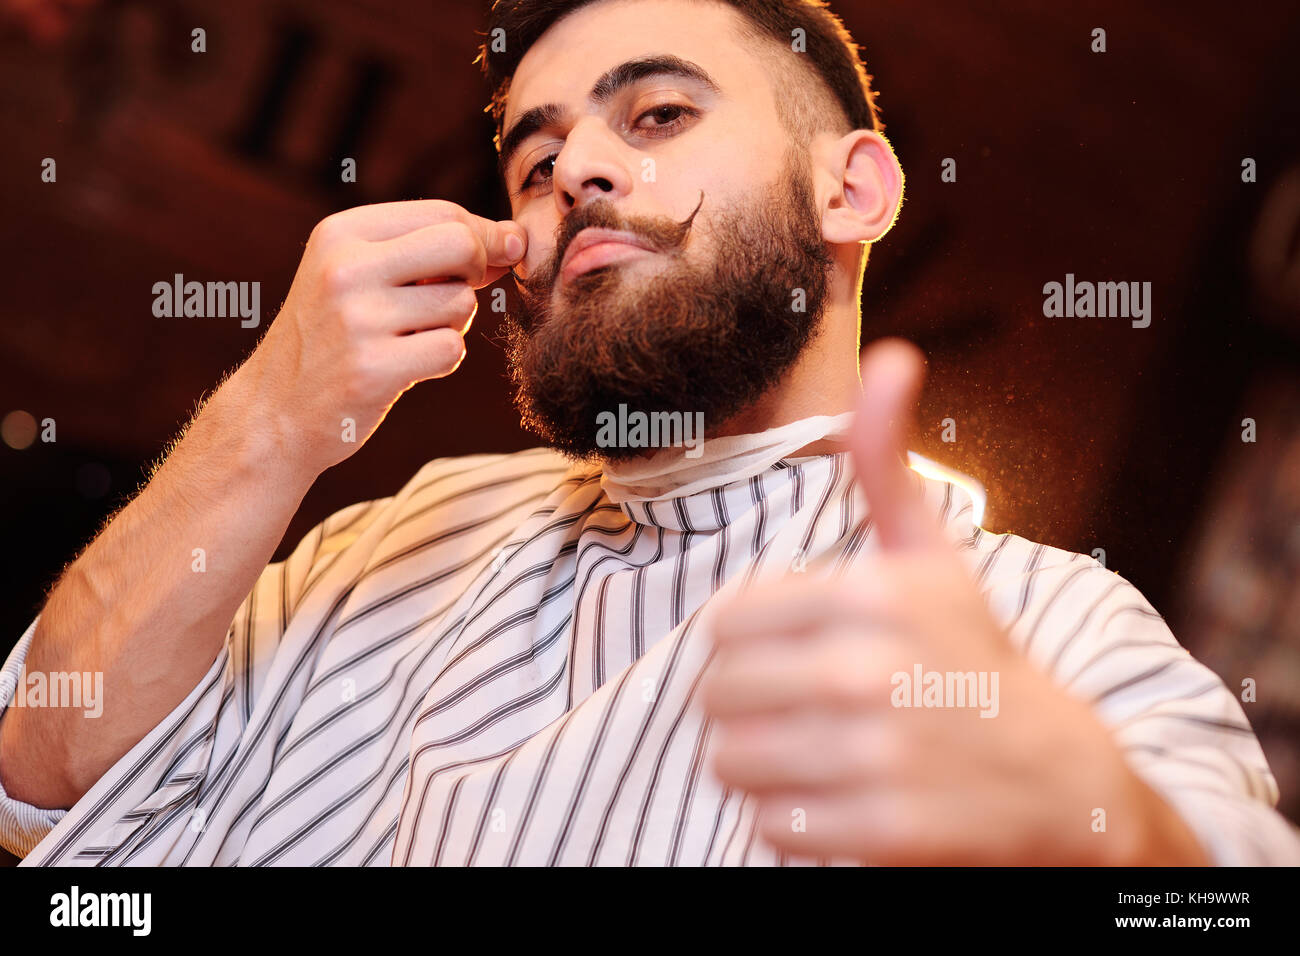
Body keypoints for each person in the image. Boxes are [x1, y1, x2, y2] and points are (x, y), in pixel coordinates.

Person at [1, 0, 1295, 866]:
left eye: (660, 115)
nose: (575, 173)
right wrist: (271, 415)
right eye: (533, 158)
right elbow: (43, 772)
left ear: (855, 189)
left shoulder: (1030, 629)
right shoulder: (399, 542)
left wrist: (1098, 834)